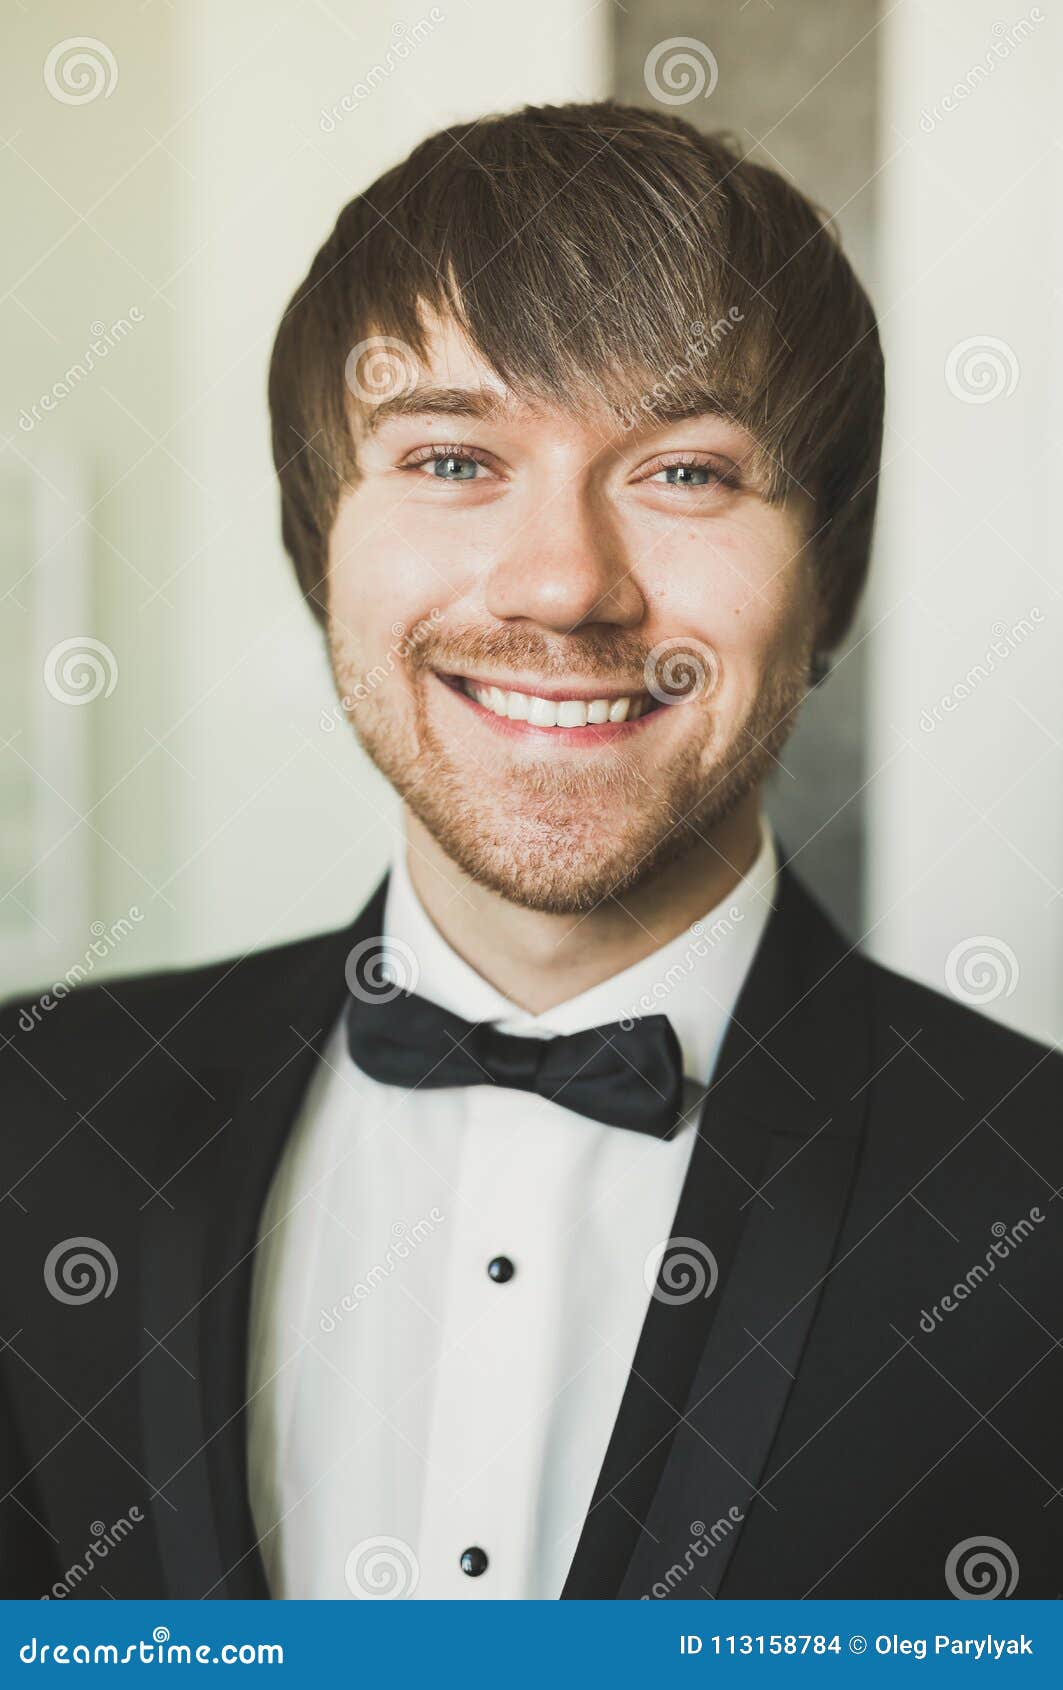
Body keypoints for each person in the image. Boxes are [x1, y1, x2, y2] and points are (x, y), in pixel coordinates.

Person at [2, 101, 1059, 1603]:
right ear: (321, 548)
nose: (564, 585)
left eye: (688, 470)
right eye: (449, 458)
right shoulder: (28, 1130)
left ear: (832, 576)